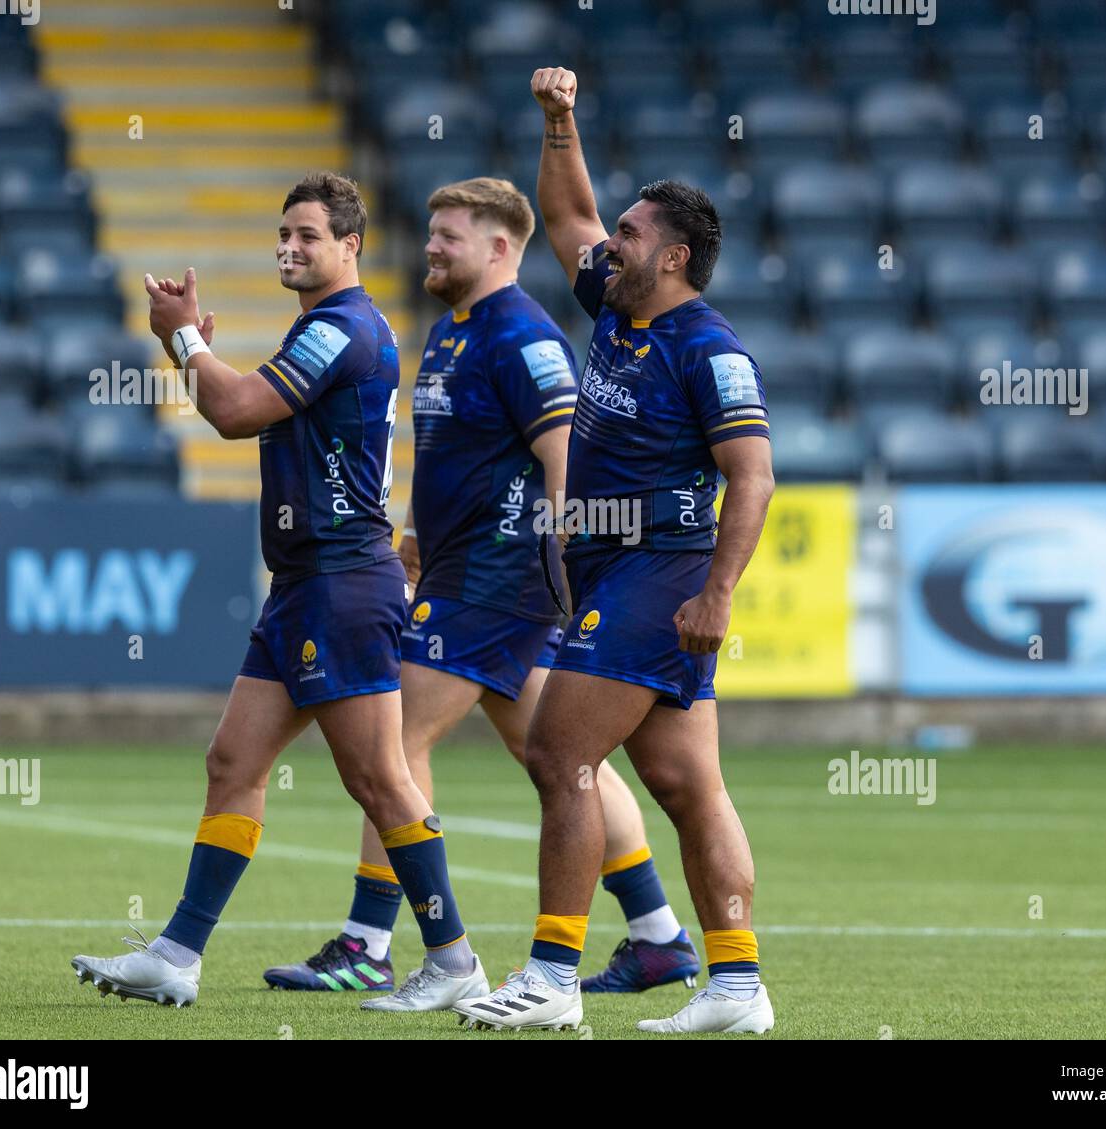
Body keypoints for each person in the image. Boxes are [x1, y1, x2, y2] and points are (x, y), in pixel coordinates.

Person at [261, 177, 699, 1002]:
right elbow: (450, 454)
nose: (430, 246)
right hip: (462, 570)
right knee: (557, 752)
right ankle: (658, 933)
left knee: (394, 742)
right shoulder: (453, 331)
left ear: (500, 247)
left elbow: (564, 451)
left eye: (448, 236)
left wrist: (573, 555)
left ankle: (369, 939)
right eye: (430, 232)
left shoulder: (524, 337)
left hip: (499, 575)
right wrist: (419, 540)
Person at [70, 172, 486, 1011]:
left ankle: (453, 958)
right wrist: (189, 349)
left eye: (307, 235)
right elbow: (238, 403)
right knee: (234, 760)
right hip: (302, 586)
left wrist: (186, 342)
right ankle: (177, 953)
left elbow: (235, 411)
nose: (289, 247)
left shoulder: (343, 328)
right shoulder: (322, 330)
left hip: (342, 583)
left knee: (379, 779)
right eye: (283, 234)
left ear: (350, 246)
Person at [454, 69, 776, 1034]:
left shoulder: (708, 350)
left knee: (560, 753)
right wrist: (560, 121)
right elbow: (568, 211)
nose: (609, 242)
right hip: (612, 569)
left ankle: (551, 977)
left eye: (631, 235)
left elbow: (752, 479)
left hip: (660, 570)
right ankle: (738, 985)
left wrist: (718, 596)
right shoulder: (617, 304)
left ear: (673, 257)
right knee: (684, 784)